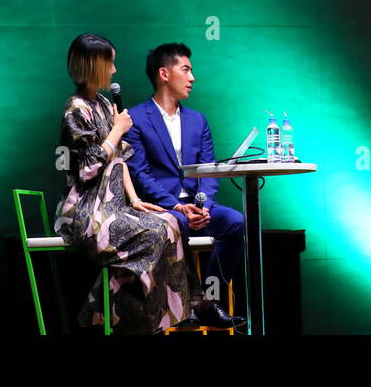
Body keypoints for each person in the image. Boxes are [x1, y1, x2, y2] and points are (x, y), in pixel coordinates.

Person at [54, 34, 195, 333]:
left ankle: (162, 316)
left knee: (170, 221)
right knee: (153, 232)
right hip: (87, 211)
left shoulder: (105, 105)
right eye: (110, 63)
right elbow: (87, 168)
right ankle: (114, 313)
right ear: (94, 65)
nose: (115, 70)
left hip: (117, 205)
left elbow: (120, 160)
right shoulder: (75, 109)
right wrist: (117, 131)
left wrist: (133, 199)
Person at [125, 42, 246, 329]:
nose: (192, 77)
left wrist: (203, 206)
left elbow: (209, 169)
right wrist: (178, 205)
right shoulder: (136, 118)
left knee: (236, 222)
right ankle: (185, 305)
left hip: (197, 205)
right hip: (163, 208)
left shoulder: (197, 120)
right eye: (186, 69)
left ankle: (208, 300)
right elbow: (140, 173)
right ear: (164, 73)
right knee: (177, 224)